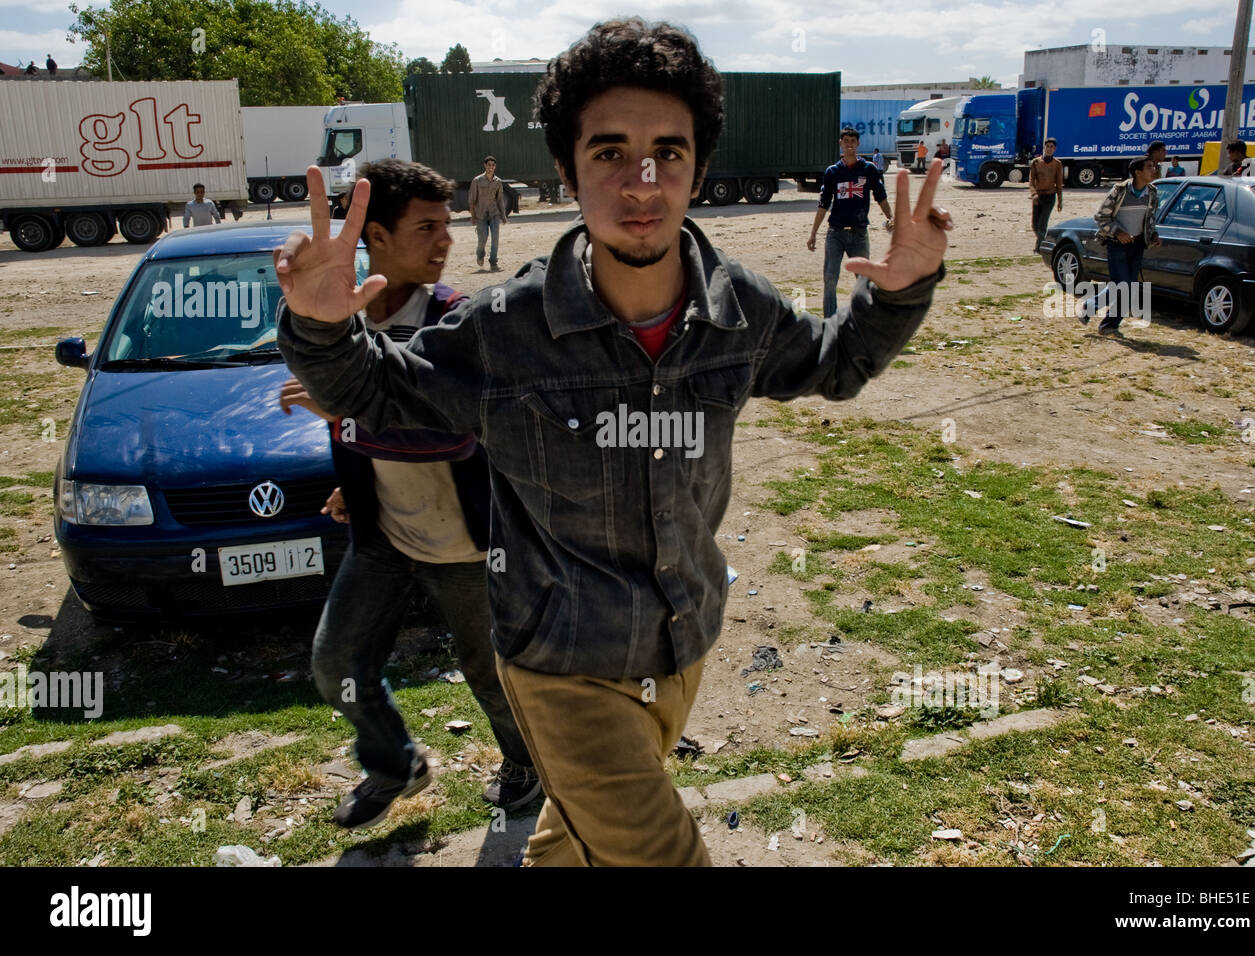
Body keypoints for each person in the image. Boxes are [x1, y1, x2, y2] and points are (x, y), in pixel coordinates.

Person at [276, 16, 950, 867]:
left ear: (699, 167)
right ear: (567, 169)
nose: (642, 182)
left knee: (576, 837)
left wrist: (900, 293)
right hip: (561, 660)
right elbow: (372, 389)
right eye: (609, 153)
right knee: (662, 855)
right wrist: (320, 327)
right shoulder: (505, 331)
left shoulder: (739, 308)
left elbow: (836, 363)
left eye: (669, 151)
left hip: (683, 641)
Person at [278, 159, 540, 828]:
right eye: (427, 227)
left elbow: (451, 433)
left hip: (467, 541)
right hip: (385, 535)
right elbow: (349, 406)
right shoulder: (343, 317)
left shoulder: (454, 316)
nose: (445, 240)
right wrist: (351, 472)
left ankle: (525, 764)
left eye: (446, 224)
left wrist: (343, 415)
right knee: (335, 661)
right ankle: (395, 764)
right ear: (376, 236)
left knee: (487, 671)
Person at [808, 125, 894, 318]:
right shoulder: (832, 172)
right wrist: (813, 233)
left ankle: (867, 319)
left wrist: (890, 217)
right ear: (840, 143)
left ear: (858, 144)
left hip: (859, 233)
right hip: (836, 232)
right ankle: (830, 321)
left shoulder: (868, 169)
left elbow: (880, 196)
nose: (849, 145)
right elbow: (823, 204)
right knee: (830, 278)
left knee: (863, 280)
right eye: (845, 141)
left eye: (852, 141)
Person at [1076, 156, 1161, 335]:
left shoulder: (1152, 192)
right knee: (1121, 284)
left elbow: (1150, 220)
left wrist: (1153, 235)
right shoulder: (1119, 191)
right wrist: (1118, 232)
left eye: (1154, 167)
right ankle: (1090, 306)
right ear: (1138, 172)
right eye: (1149, 167)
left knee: (1129, 288)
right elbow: (1101, 217)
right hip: (1117, 245)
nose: (1154, 170)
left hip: (1137, 245)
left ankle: (1110, 325)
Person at [468, 156, 509, 271]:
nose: (491, 167)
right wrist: (473, 216)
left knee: (495, 238)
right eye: (489, 165)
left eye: (493, 165)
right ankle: (480, 254)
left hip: (494, 214)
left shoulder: (498, 182)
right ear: (485, 165)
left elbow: (500, 200)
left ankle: (493, 263)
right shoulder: (477, 180)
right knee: (483, 238)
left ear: (495, 167)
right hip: (481, 215)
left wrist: (503, 215)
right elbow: (471, 200)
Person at [1029, 137, 1064, 253]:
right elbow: (1031, 180)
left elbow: (1059, 183)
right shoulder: (1036, 162)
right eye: (1047, 146)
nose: (1049, 149)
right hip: (1038, 197)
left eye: (1052, 147)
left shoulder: (1057, 164)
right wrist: (1034, 194)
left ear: (1055, 149)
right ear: (1044, 147)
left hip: (1050, 196)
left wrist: (1060, 200)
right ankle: (1044, 240)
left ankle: (1038, 249)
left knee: (1043, 224)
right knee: (1035, 225)